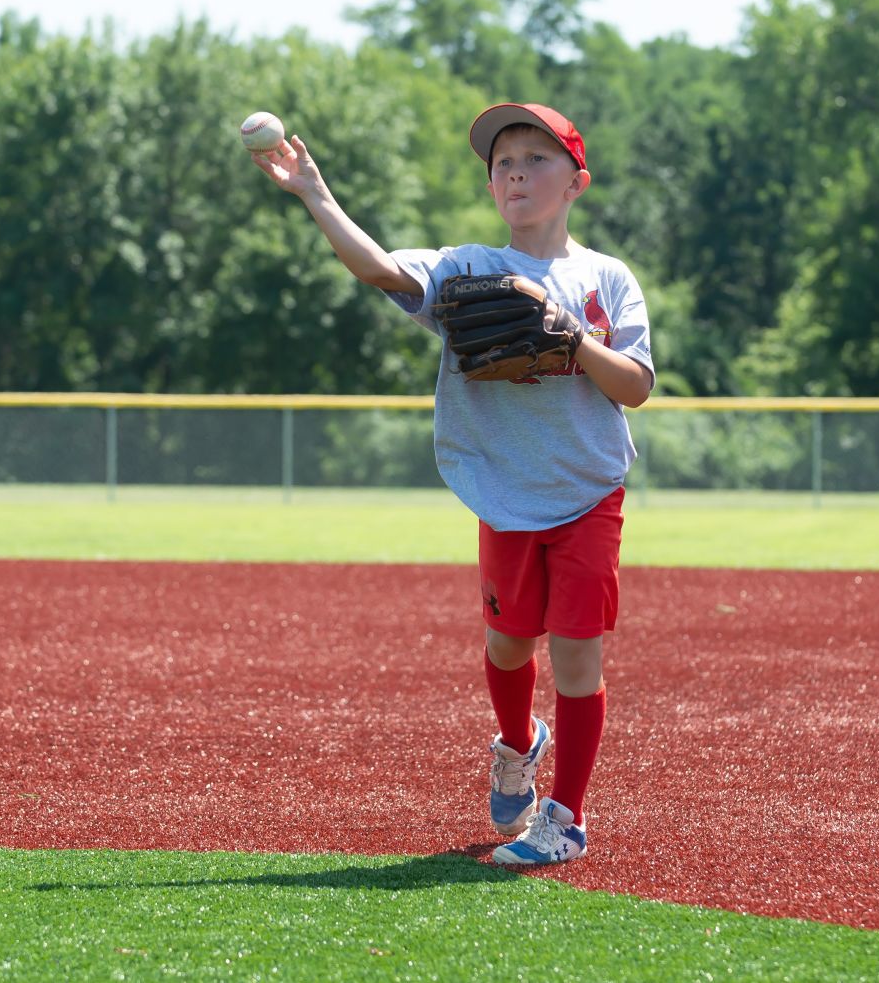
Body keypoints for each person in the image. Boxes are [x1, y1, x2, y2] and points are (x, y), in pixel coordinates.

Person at [251, 103, 653, 865]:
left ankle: (564, 820)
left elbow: (634, 386)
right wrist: (314, 193)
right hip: (503, 494)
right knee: (507, 647)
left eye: (536, 159)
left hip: (589, 493)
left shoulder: (606, 278)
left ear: (577, 182)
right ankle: (516, 741)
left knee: (575, 655)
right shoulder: (468, 266)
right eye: (504, 162)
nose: (516, 173)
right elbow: (379, 270)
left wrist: (573, 337)